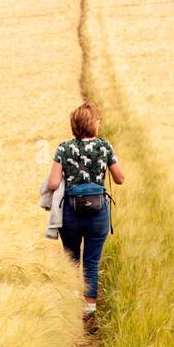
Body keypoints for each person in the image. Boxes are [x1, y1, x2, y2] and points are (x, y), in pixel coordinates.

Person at [47, 101, 125, 318]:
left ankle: (71, 310)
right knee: (91, 263)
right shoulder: (104, 146)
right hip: (98, 213)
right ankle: (89, 314)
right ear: (92, 124)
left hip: (70, 214)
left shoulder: (64, 148)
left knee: (72, 261)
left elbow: (53, 184)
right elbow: (119, 179)